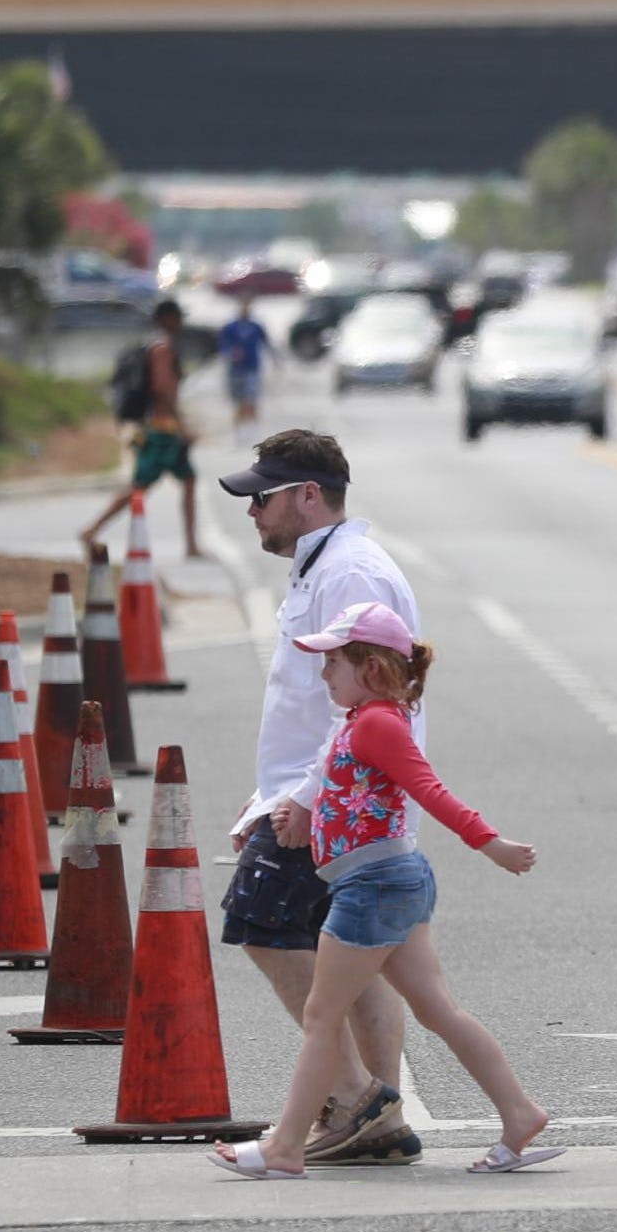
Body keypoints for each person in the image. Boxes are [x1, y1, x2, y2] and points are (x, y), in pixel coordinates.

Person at [212, 601, 555, 1177]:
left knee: (323, 1014)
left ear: (369, 670)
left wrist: (489, 843)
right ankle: (519, 1112)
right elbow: (330, 780)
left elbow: (431, 790)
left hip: (372, 887)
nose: (324, 676)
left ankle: (285, 1147)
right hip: (389, 880)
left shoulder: (377, 724)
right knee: (437, 1009)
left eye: (334, 665)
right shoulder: (360, 722)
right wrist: (299, 814)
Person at [212, 430, 428, 1166]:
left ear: (308, 496)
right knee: (355, 954)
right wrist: (265, 797)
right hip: (321, 791)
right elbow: (307, 703)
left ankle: (356, 1096)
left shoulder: (349, 576)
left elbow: (366, 703)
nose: (252, 513)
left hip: (338, 797)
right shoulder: (323, 569)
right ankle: (378, 1119)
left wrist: (303, 799)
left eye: (261, 498)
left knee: (261, 922)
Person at [82, 298, 201, 559]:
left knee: (189, 480)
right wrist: (182, 425)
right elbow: (163, 389)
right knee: (139, 488)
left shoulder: (157, 345)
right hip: (161, 430)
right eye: (177, 317)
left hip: (164, 428)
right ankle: (91, 530)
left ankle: (192, 544)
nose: (181, 322)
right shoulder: (162, 348)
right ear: (166, 319)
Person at [217, 297, 271, 430]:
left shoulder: (256, 326)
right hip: (235, 369)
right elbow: (222, 346)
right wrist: (231, 353)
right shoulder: (230, 327)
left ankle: (253, 427)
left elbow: (266, 342)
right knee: (238, 400)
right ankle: (238, 427)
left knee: (251, 397)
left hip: (252, 367)